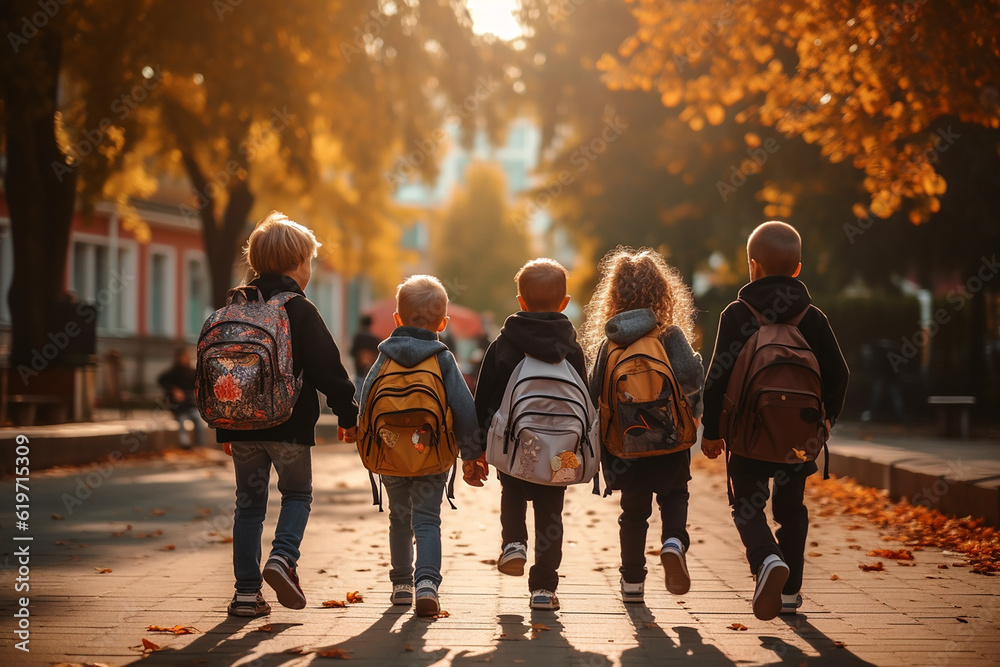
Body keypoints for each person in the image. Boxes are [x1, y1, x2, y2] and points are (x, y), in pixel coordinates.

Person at [701, 221, 849, 620]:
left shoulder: (737, 314)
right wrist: (827, 419)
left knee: (746, 507)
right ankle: (790, 592)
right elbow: (839, 374)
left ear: (754, 267)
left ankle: (767, 560)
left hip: (747, 435)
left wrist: (711, 432)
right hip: (798, 437)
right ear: (797, 269)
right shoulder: (812, 317)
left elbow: (717, 376)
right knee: (791, 510)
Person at [217, 211, 359, 618]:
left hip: (241, 426)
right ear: (298, 264)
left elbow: (221, 371)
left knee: (248, 506)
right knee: (296, 494)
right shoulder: (298, 308)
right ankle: (282, 558)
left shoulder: (236, 306)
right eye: (310, 262)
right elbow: (326, 367)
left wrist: (223, 425)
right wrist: (347, 414)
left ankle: (246, 594)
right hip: (289, 426)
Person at [580, 247, 704, 604]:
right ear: (663, 292)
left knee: (633, 512)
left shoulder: (610, 342)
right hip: (670, 437)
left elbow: (593, 390)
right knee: (675, 494)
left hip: (625, 444)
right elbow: (693, 380)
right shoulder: (670, 335)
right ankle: (673, 542)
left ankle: (632, 583)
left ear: (613, 295)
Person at [357, 275, 479, 617]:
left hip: (390, 453)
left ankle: (400, 585)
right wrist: (472, 455)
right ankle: (427, 583)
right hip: (433, 455)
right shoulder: (442, 359)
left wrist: (358, 435)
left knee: (398, 517)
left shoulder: (384, 358)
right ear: (443, 322)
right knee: (427, 519)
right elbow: (463, 407)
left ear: (397, 319)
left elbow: (365, 401)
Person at [470, 258, 586, 611]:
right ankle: (544, 589)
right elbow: (587, 400)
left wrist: (475, 448)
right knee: (552, 513)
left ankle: (513, 544)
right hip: (562, 449)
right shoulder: (573, 348)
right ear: (564, 303)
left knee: (513, 492)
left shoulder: (503, 345)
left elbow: (484, 397)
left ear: (520, 301)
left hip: (515, 445)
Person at [158, 347, 203, 449]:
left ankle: (201, 445)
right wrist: (173, 390)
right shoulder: (173, 372)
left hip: (190, 404)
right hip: (178, 406)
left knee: (198, 420)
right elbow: (161, 380)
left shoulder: (192, 371)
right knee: (182, 421)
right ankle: (185, 445)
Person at [350, 315, 380, 400]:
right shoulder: (374, 339)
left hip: (358, 370)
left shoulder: (357, 337)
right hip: (369, 369)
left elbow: (352, 352)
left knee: (358, 391)